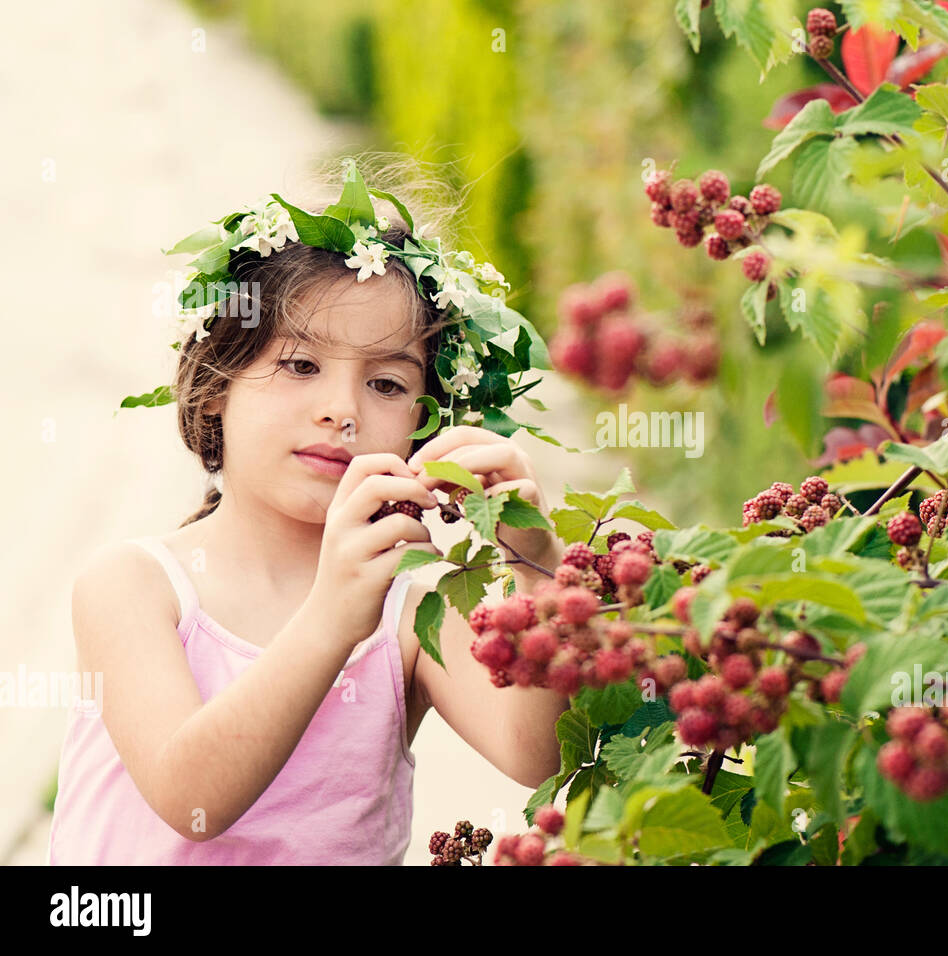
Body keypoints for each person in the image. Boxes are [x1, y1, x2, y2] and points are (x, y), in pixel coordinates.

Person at [48, 157, 567, 864]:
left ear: (425, 424)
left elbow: (535, 755)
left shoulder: (409, 617)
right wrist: (330, 617)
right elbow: (190, 798)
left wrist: (537, 573)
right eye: (299, 366)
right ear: (213, 388)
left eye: (386, 383)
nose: (341, 411)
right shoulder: (132, 587)